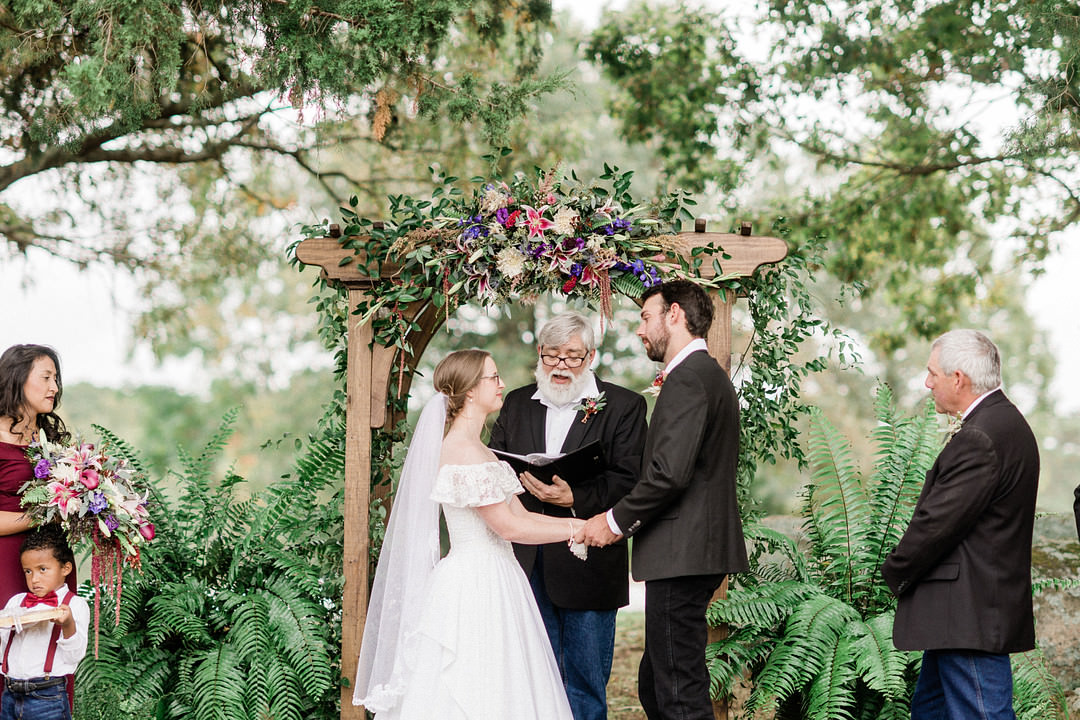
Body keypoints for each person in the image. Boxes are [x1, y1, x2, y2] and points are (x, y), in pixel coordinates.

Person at [353, 349, 587, 719]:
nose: (502, 384)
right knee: (477, 681)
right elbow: (508, 527)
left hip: (499, 575)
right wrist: (577, 529)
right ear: (471, 391)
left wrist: (581, 526)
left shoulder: (479, 448)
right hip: (477, 584)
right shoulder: (463, 451)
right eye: (493, 377)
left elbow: (521, 515)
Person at [577, 280, 749, 720]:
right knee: (657, 685)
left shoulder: (689, 378)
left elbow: (669, 474)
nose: (640, 329)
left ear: (674, 315)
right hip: (690, 552)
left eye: (645, 317)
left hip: (682, 554)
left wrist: (612, 522)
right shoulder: (706, 375)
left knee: (678, 693)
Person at [489, 311, 647, 720]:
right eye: (551, 356)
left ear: (590, 356)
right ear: (539, 353)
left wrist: (573, 496)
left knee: (584, 685)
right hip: (524, 562)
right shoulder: (517, 402)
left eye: (572, 357)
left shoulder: (625, 406)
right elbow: (494, 464)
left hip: (590, 563)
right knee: (529, 681)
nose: (560, 366)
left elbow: (630, 481)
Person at [882, 329, 1039, 720]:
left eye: (932, 373)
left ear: (958, 379)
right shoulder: (1003, 423)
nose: (927, 383)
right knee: (929, 712)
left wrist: (894, 569)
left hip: (968, 612)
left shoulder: (981, 437)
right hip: (964, 612)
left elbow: (937, 523)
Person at [0, 345, 79, 709]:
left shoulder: (51, 439)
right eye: (46, 378)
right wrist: (44, 514)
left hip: (53, 562)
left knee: (51, 652)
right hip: (6, 564)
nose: (54, 387)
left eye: (56, 378)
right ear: (18, 379)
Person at [0, 524, 89, 720]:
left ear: (65, 568)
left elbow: (75, 655)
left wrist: (67, 624)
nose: (34, 579)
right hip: (10, 694)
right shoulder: (16, 602)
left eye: (42, 569)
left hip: (47, 696)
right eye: (28, 571)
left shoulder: (75, 604)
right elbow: (3, 645)